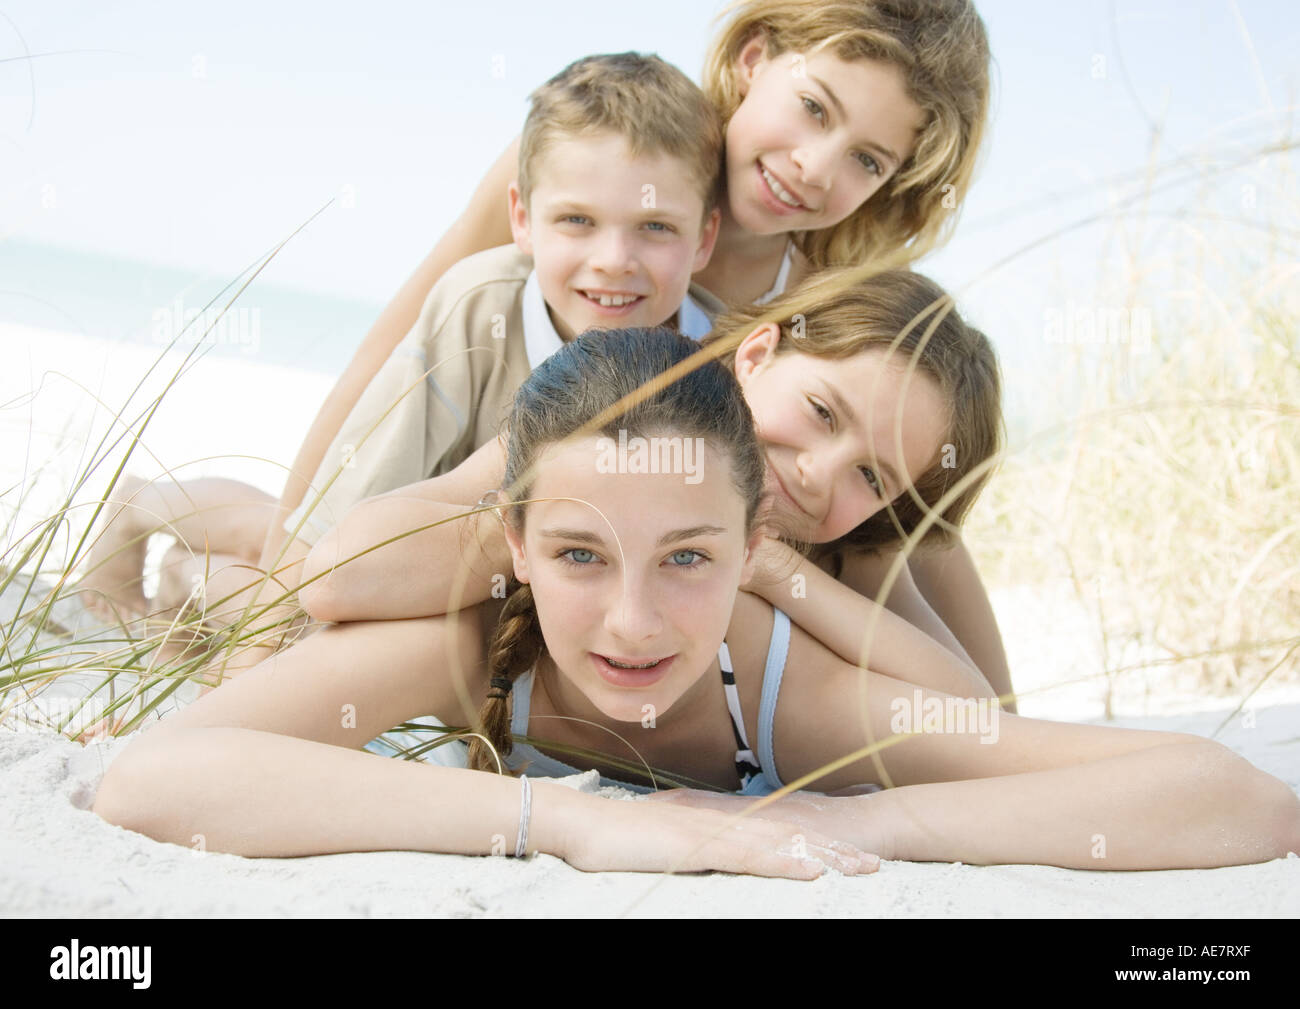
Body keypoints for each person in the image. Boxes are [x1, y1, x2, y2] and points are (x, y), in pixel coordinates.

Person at [90, 328, 1300, 876]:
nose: (630, 624)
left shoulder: (779, 683)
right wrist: (559, 821)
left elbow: (1230, 792)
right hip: (357, 589)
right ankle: (180, 543)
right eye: (577, 555)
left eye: (685, 560)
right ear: (511, 542)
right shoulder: (473, 637)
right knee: (269, 598)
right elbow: (149, 778)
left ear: (752, 547)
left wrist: (860, 826)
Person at [75, 50, 724, 636]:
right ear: (522, 219)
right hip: (401, 526)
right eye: (577, 220)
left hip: (493, 567)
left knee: (263, 539)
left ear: (705, 238)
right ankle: (165, 539)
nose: (614, 259)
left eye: (655, 227)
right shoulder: (479, 308)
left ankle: (173, 542)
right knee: (282, 585)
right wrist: (232, 676)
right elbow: (330, 529)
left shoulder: (721, 357)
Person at [300, 266, 1007, 711]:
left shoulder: (847, 547)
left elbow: (977, 712)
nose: (819, 473)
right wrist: (568, 530)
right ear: (758, 355)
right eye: (823, 412)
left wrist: (771, 567)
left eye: (871, 474)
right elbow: (334, 575)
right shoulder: (623, 409)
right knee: (246, 545)